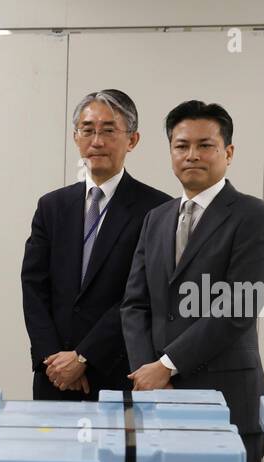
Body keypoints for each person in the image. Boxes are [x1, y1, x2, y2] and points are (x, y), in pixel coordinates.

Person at [121, 100, 264, 462]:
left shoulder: (254, 217)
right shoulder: (156, 218)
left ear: (228, 152)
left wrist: (167, 364)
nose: (192, 155)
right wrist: (147, 372)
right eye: (181, 145)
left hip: (227, 403)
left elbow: (236, 308)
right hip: (160, 400)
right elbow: (135, 304)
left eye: (205, 145)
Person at [21, 90, 172, 400]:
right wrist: (54, 358)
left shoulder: (157, 210)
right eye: (87, 130)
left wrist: (84, 357)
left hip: (116, 373)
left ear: (133, 140)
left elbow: (142, 294)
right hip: (55, 376)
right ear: (76, 137)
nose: (97, 141)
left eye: (108, 130)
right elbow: (34, 287)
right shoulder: (52, 206)